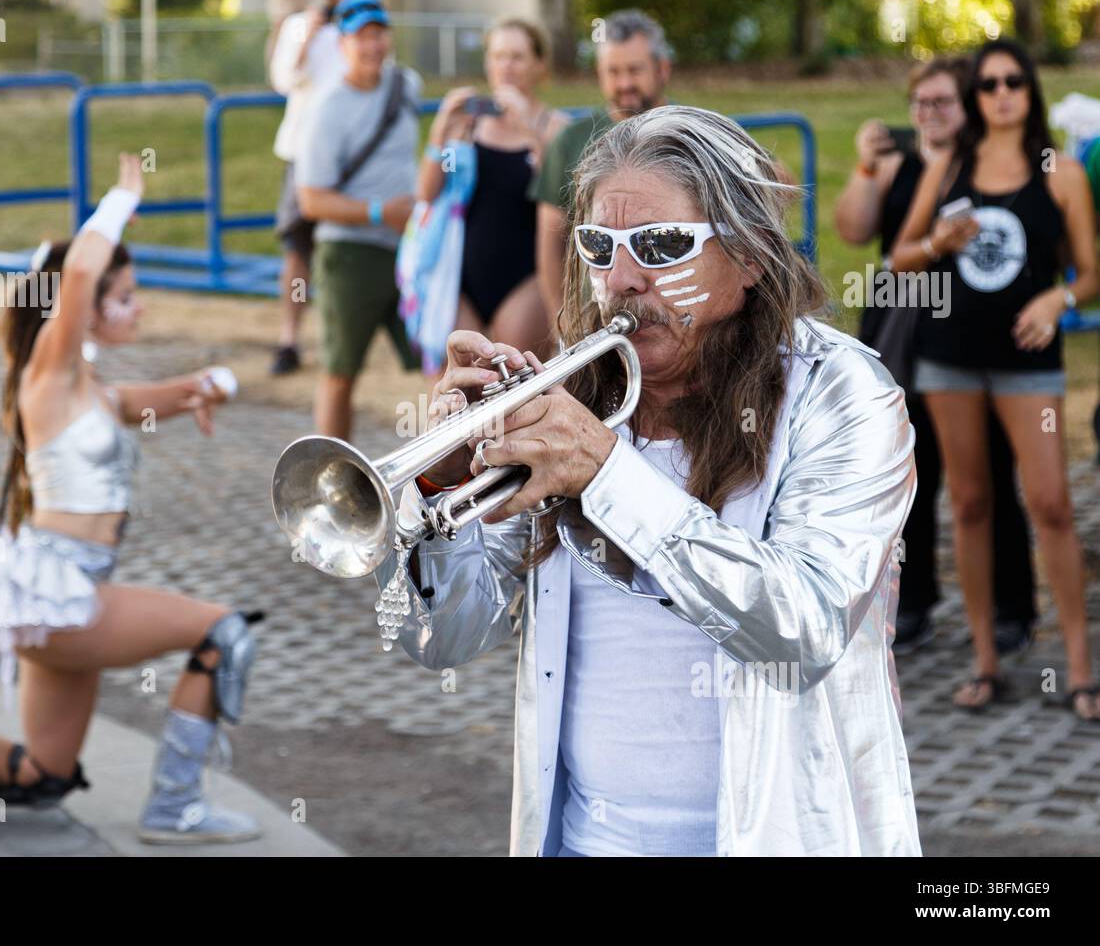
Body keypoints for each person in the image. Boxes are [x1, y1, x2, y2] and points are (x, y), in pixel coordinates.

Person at [379, 105, 921, 856]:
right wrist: (438, 486)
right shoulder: (575, 400)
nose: (623, 280)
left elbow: (800, 628)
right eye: (599, 246)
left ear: (752, 252)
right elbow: (438, 638)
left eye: (663, 246)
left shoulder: (844, 395)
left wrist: (606, 474)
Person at [0, 154, 264, 843]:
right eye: (124, 295)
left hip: (56, 593)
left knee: (43, 772)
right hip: (60, 592)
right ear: (80, 308)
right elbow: (81, 274)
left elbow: (146, 400)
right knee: (223, 633)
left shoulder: (88, 389)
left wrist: (208, 386)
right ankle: (174, 808)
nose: (138, 304)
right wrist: (121, 201)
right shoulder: (50, 371)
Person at [892, 39, 1099, 719]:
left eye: (1013, 81)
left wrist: (1059, 299)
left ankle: (1077, 669)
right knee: (971, 506)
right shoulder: (952, 165)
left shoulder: (1058, 171)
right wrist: (936, 246)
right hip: (951, 359)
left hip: (1028, 367)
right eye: (987, 84)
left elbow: (1090, 273)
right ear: (975, 97)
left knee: (1051, 505)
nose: (1001, 93)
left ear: (1030, 90)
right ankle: (985, 663)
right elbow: (900, 260)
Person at [834, 58, 1037, 655]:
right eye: (920, 101)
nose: (930, 112)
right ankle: (914, 602)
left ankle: (1012, 608)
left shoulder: (987, 167)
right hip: (903, 332)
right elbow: (852, 228)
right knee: (906, 474)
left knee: (992, 473)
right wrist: (867, 165)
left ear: (967, 104)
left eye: (943, 101)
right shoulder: (898, 164)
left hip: (970, 336)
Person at [296, 0, 421, 441]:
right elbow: (310, 199)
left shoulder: (407, 85)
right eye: (361, 37)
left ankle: (449, 471)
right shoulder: (326, 108)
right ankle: (332, 476)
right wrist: (377, 212)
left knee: (435, 361)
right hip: (350, 255)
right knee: (340, 371)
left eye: (379, 34)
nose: (372, 46)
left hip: (409, 249)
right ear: (342, 44)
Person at [416, 17, 569, 361]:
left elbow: (567, 202)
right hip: (464, 277)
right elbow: (428, 193)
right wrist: (441, 134)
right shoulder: (469, 124)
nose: (506, 67)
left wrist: (532, 134)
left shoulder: (555, 127)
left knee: (514, 376)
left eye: (517, 57)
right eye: (498, 56)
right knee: (458, 382)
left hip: (526, 276)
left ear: (539, 65)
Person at [530, 9, 671, 325]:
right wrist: (562, 324)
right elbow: (550, 241)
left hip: (681, 314)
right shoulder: (571, 140)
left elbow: (777, 183)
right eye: (613, 71)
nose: (624, 83)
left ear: (663, 69)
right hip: (598, 316)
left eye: (635, 70)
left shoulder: (693, 131)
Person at [268, 0, 350, 375]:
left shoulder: (365, 27)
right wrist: (309, 35)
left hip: (349, 154)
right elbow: (284, 80)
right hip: (303, 152)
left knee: (345, 248)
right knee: (297, 247)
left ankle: (343, 337)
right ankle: (289, 339)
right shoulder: (299, 25)